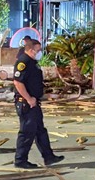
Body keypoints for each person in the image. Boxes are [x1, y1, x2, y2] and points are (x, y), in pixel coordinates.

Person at [12, 37, 64, 169]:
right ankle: (20, 160)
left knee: (40, 131)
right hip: (26, 103)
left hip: (34, 102)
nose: (40, 52)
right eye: (38, 50)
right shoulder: (23, 62)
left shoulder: (32, 62)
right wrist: (29, 99)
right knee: (27, 132)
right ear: (30, 50)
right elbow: (18, 82)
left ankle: (49, 157)